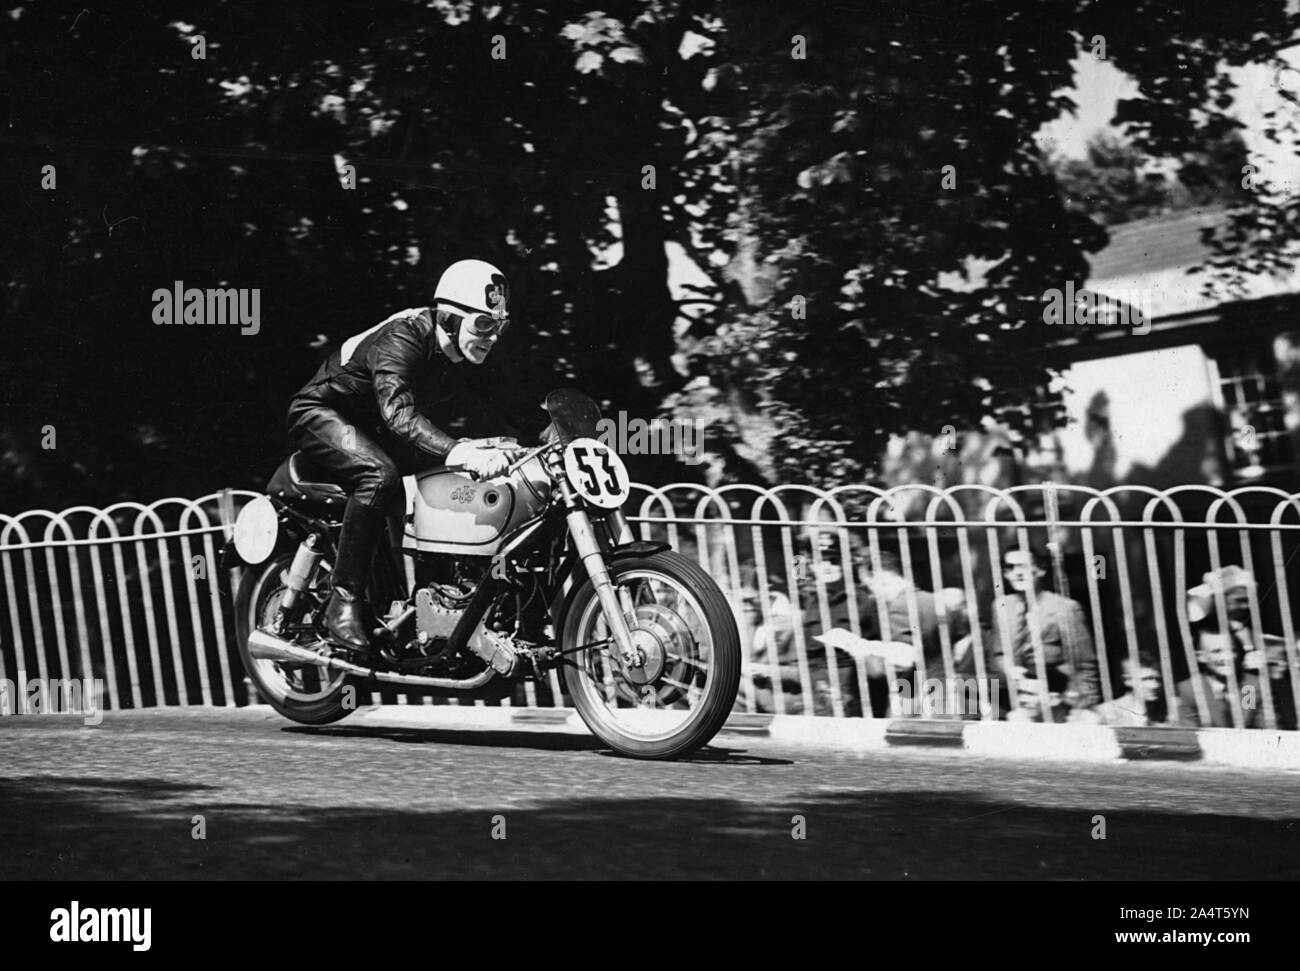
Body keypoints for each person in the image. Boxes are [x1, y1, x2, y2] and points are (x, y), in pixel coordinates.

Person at [285, 259, 521, 656]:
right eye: (483, 324)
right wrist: (460, 450)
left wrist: (547, 434)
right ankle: (342, 603)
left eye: (500, 326)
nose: (493, 336)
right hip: (323, 414)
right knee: (379, 477)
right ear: (448, 317)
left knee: (446, 482)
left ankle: (428, 608)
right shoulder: (404, 336)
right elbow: (398, 414)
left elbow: (507, 406)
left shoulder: (466, 355)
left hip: (375, 427)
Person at [983, 548, 1101, 721]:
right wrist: (1009, 669)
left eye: (1023, 566)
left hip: (1058, 697)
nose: (1017, 573)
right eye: (1010, 568)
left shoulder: (1065, 608)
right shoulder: (1001, 606)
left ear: (1040, 570)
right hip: (1017, 697)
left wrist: (1086, 705)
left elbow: (1085, 663)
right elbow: (998, 654)